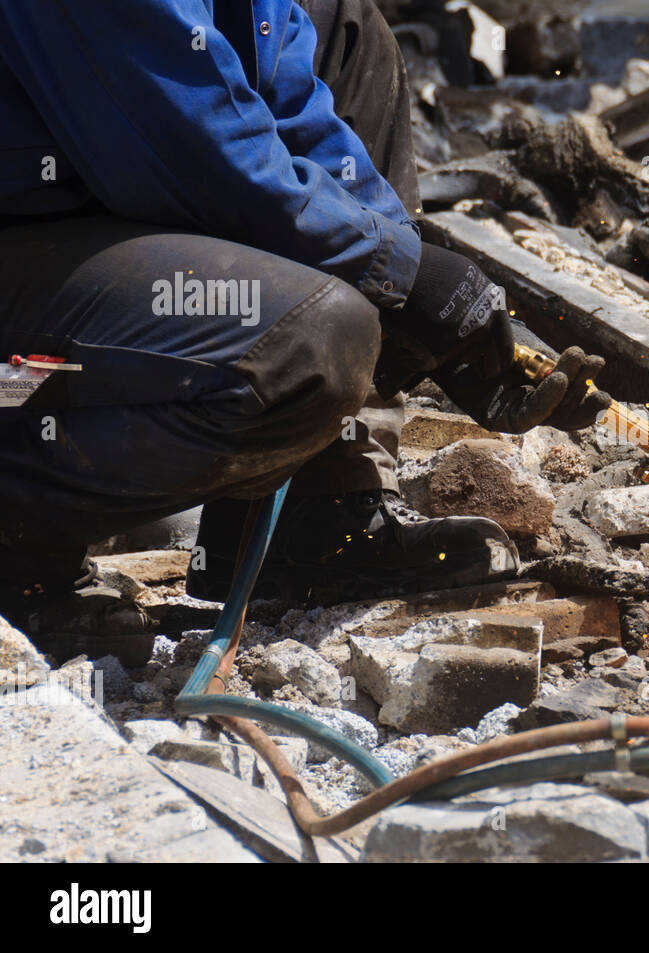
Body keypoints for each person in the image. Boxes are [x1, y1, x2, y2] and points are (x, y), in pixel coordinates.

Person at [0, 0, 610, 665]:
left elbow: (291, 106)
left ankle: (313, 514)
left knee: (345, 28)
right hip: (30, 244)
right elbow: (187, 148)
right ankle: (17, 549)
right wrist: (403, 276)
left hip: (95, 202)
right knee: (307, 346)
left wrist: (416, 301)